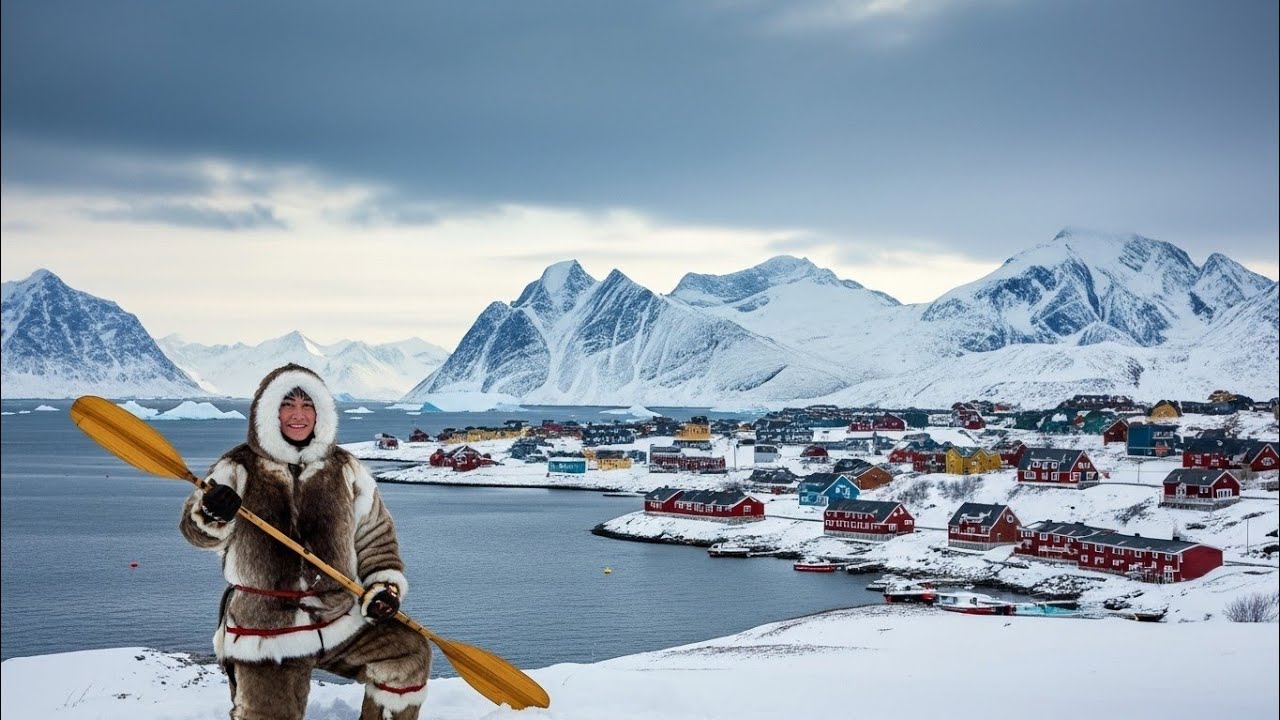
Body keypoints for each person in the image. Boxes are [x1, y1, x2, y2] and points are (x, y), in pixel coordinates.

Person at [179, 363, 430, 720]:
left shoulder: (346, 469)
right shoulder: (237, 468)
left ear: (321, 412)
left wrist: (383, 587)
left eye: (307, 404)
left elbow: (377, 539)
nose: (298, 414)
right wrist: (212, 511)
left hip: (337, 616)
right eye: (287, 404)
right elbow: (196, 534)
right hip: (265, 630)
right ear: (268, 413)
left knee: (406, 653)